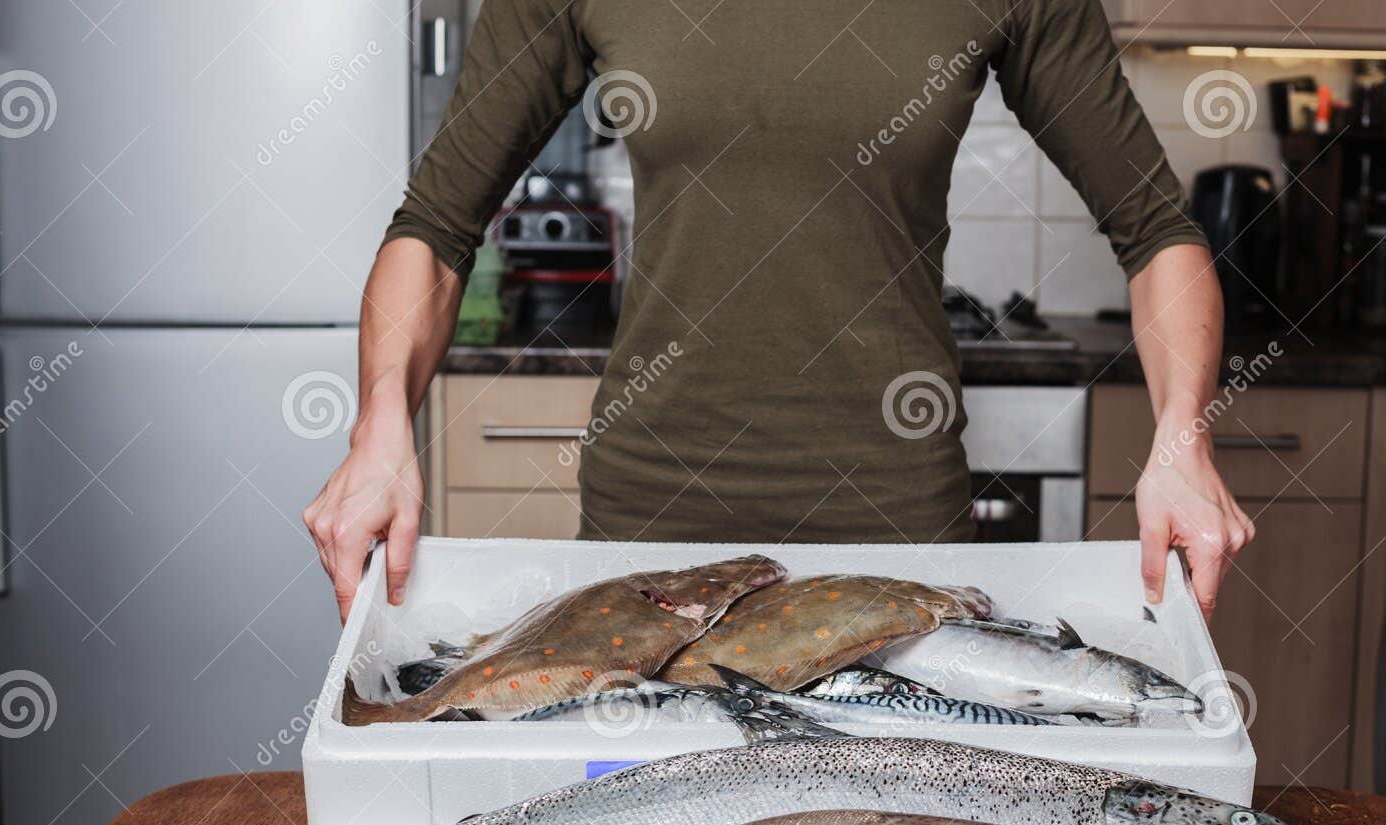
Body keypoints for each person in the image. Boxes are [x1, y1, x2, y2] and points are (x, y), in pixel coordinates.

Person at [305, 0, 1254, 621]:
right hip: (651, 539)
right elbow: (435, 225)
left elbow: (1156, 231)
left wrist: (1183, 437)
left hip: (895, 543)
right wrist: (380, 420)